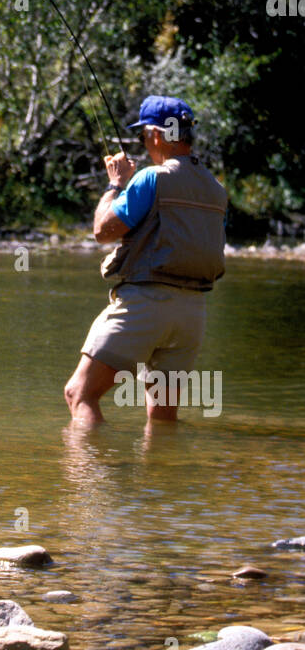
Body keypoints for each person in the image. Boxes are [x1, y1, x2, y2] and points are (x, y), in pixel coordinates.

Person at [64, 95, 227, 427]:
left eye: (142, 135)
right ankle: (163, 476)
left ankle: (87, 476)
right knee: (163, 414)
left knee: (80, 394)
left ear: (155, 134)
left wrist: (115, 184)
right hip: (192, 315)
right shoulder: (216, 189)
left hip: (146, 305)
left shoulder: (152, 178)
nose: (143, 142)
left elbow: (102, 230)